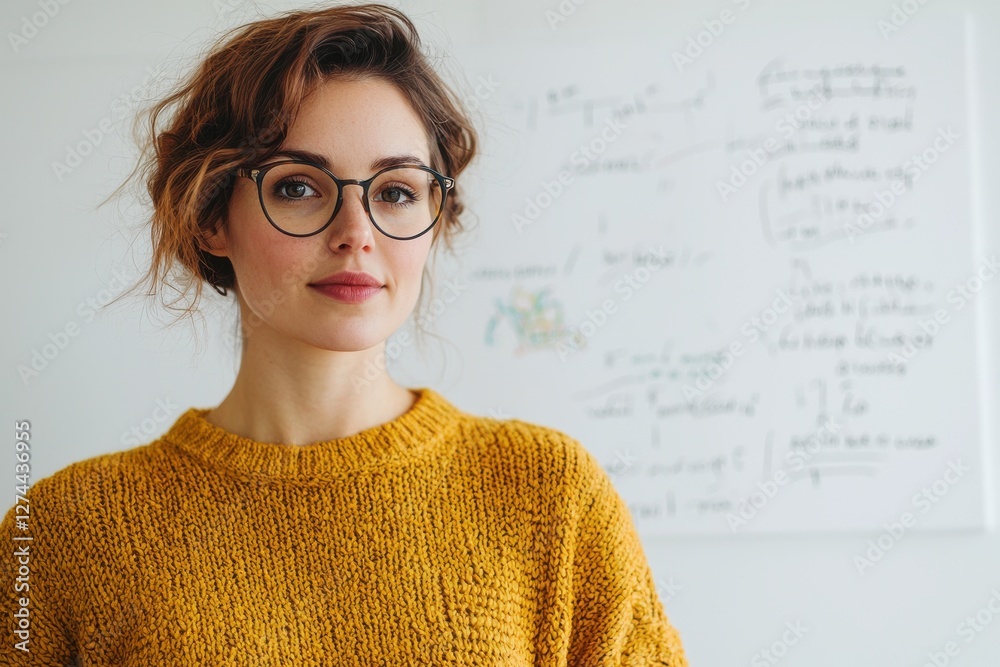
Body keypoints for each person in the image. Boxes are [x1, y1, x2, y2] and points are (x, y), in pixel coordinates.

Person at [0, 3, 689, 665]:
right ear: (211, 216)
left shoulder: (550, 492)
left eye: (395, 191)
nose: (356, 233)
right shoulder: (65, 528)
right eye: (299, 187)